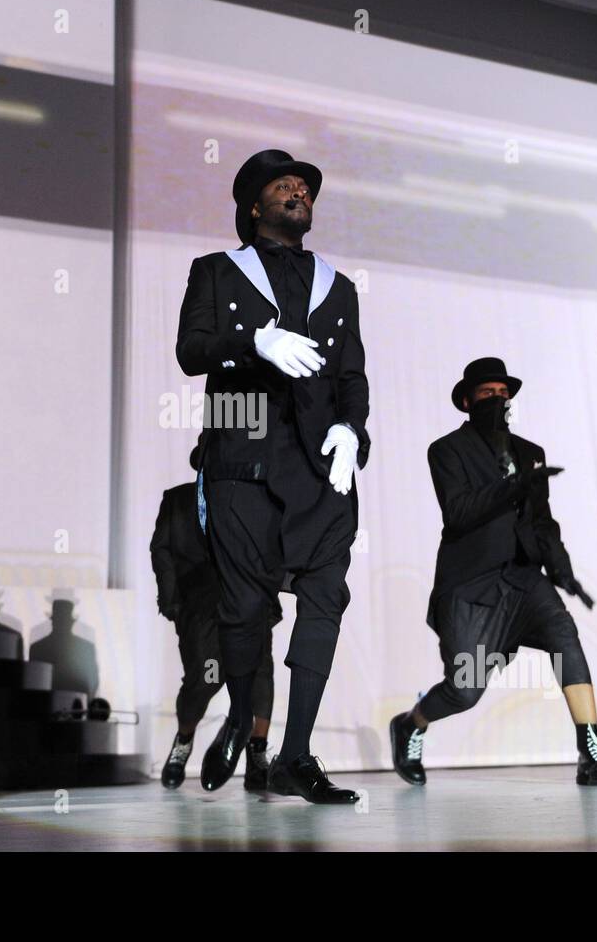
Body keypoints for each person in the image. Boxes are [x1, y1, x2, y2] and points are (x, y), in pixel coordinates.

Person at [176, 149, 370, 804]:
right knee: (246, 608)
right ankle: (239, 717)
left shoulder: (337, 286)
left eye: (305, 186)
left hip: (320, 469)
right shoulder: (214, 271)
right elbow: (190, 351)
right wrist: (253, 341)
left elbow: (351, 376)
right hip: (243, 455)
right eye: (283, 185)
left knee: (324, 600)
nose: (298, 190)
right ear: (254, 206)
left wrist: (352, 430)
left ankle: (294, 754)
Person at [389, 358, 597, 787]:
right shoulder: (446, 450)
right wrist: (512, 487)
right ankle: (411, 723)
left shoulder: (531, 454)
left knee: (563, 637)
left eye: (502, 393)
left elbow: (541, 522)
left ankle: (591, 748)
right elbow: (458, 512)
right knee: (465, 690)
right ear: (467, 401)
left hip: (523, 579)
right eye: (486, 394)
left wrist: (563, 570)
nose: (497, 400)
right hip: (471, 584)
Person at [150, 442, 281, 791]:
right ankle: (184, 739)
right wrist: (172, 600)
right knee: (206, 677)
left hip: (251, 600)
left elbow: (270, 545)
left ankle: (257, 753)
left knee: (260, 674)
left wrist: (270, 593)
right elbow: (161, 550)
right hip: (201, 608)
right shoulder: (178, 500)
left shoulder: (251, 498)